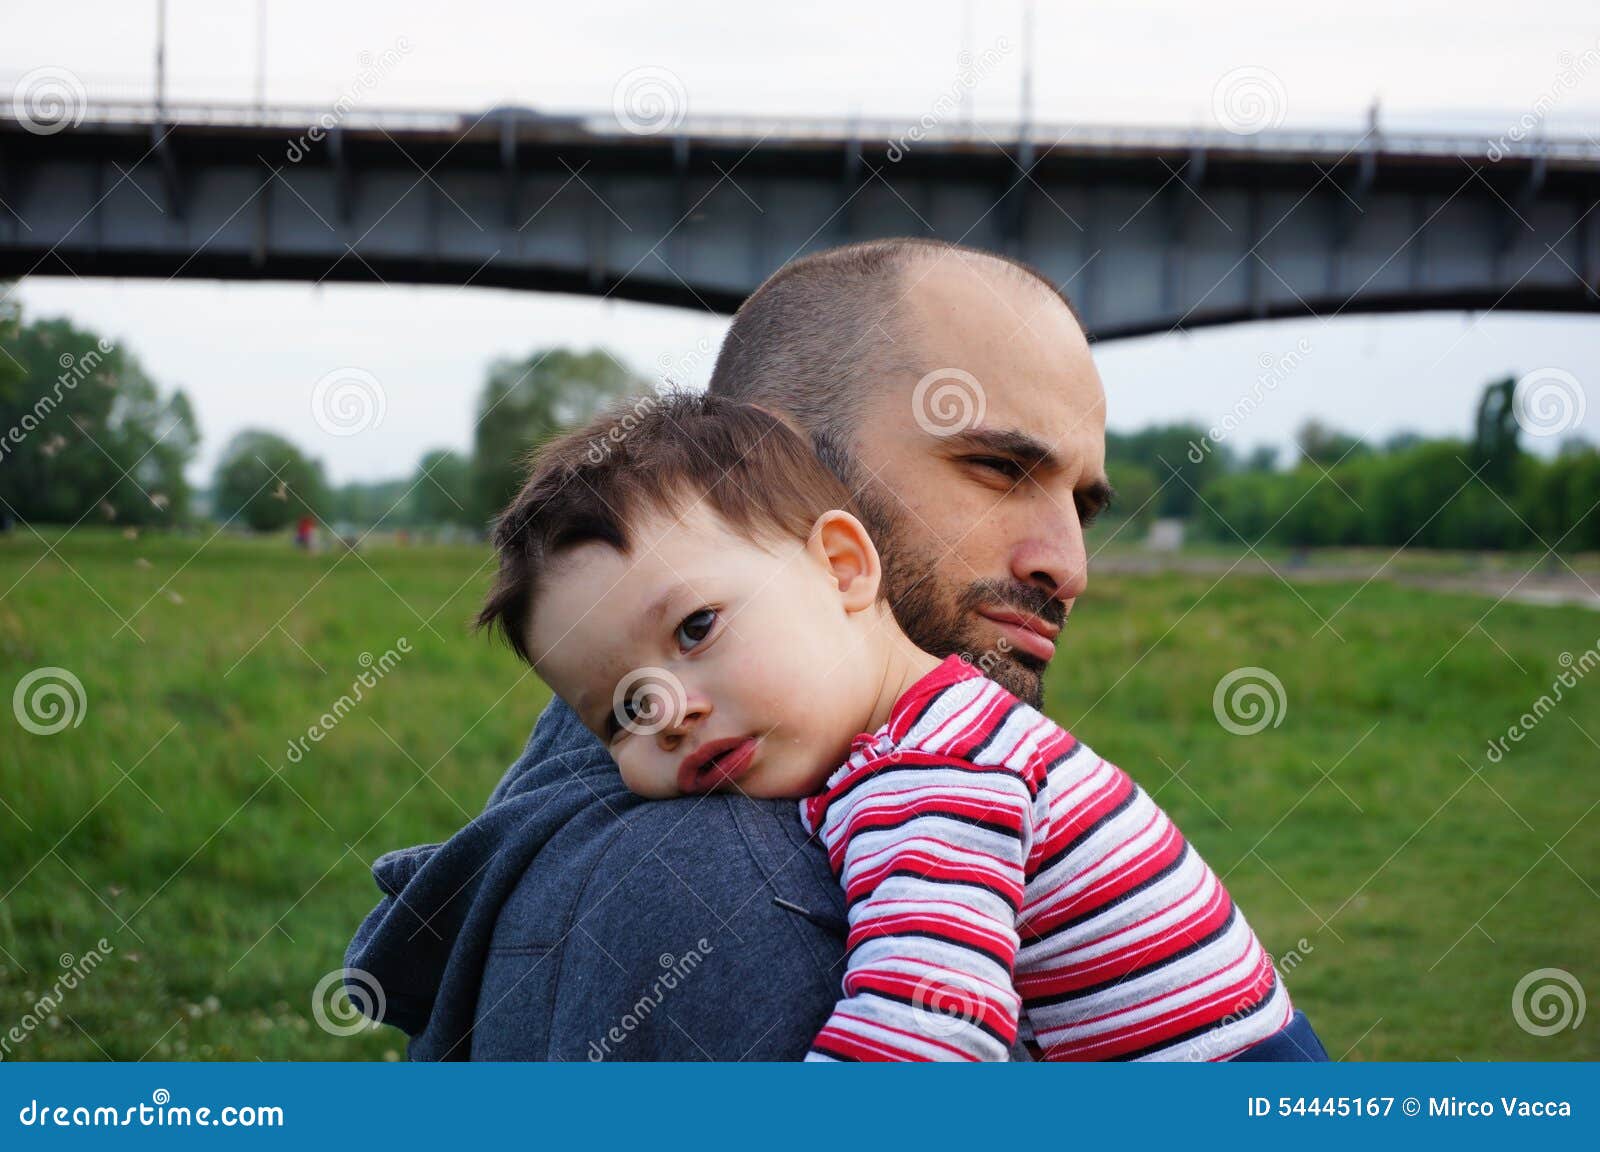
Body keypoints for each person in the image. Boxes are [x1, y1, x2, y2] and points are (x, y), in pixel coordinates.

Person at [346, 238, 1329, 1061]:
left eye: (1080, 503)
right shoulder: (740, 889)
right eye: (997, 467)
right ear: (795, 468)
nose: (1067, 566)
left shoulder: (912, 771)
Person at [473, 391, 1298, 1061]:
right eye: (622, 711)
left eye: (696, 629)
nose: (670, 715)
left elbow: (936, 1024)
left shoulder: (936, 770)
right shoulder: (922, 733)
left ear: (842, 567)